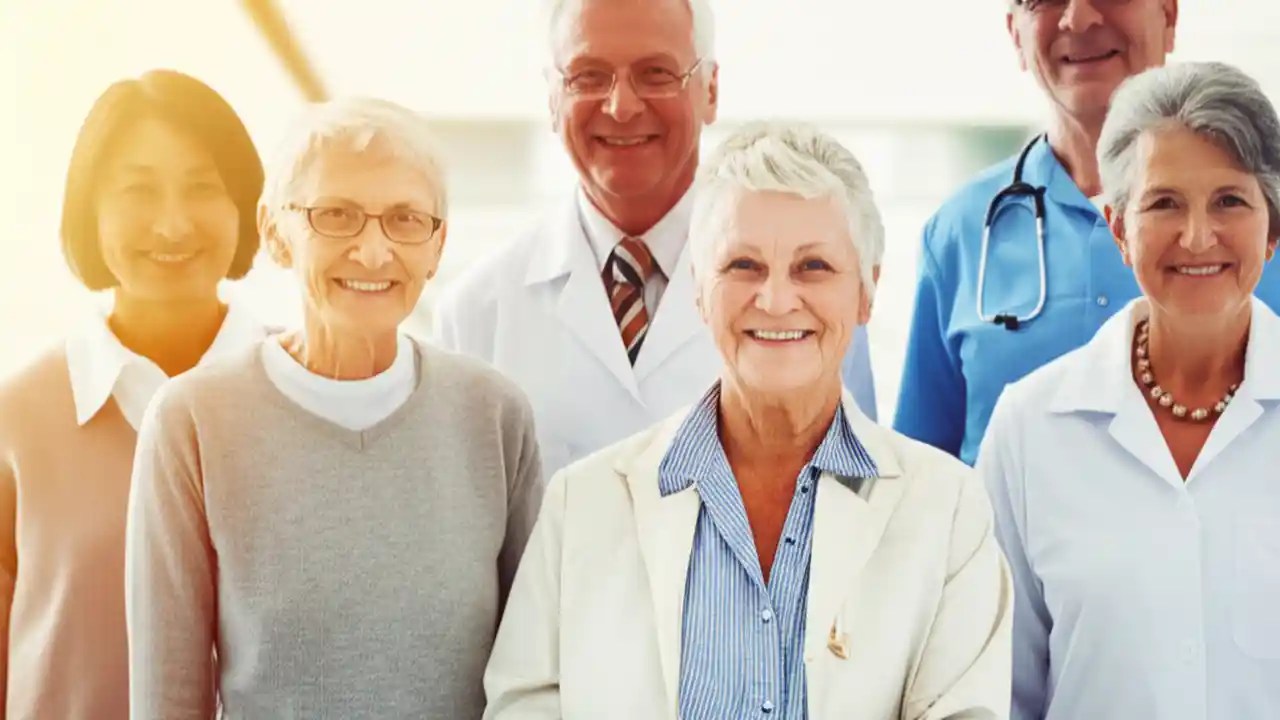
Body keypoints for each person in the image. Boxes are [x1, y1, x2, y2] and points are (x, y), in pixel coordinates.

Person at [485, 123, 1012, 719]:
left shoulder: (948, 510)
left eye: (813, 267)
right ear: (697, 291)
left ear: (866, 293)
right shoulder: (581, 504)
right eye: (743, 265)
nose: (777, 300)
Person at [125, 98, 543, 719]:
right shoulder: (193, 422)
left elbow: (532, 684)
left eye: (405, 219)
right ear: (274, 233)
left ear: (437, 245)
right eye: (336, 215)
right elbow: (168, 697)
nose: (373, 253)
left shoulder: (494, 417)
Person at [433, 0, 876, 483]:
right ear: (552, 99)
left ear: (710, 89)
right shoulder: (477, 312)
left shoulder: (813, 296)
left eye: (656, 73)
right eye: (588, 76)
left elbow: (858, 500)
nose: (621, 106)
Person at [978, 61, 1280, 719]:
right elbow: (996, 694)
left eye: (1230, 200)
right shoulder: (1030, 430)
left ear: (1273, 227)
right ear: (1117, 228)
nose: (1197, 237)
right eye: (1164, 203)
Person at [893, 0, 1280, 466]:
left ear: (1169, 15)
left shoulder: (1257, 221)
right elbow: (916, 474)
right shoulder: (958, 232)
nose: (1079, 18)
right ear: (1016, 32)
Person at [0, 70, 268, 719]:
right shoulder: (18, 416)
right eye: (138, 191)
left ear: (247, 208)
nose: (172, 224)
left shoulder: (307, 394)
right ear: (90, 212)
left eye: (202, 188)